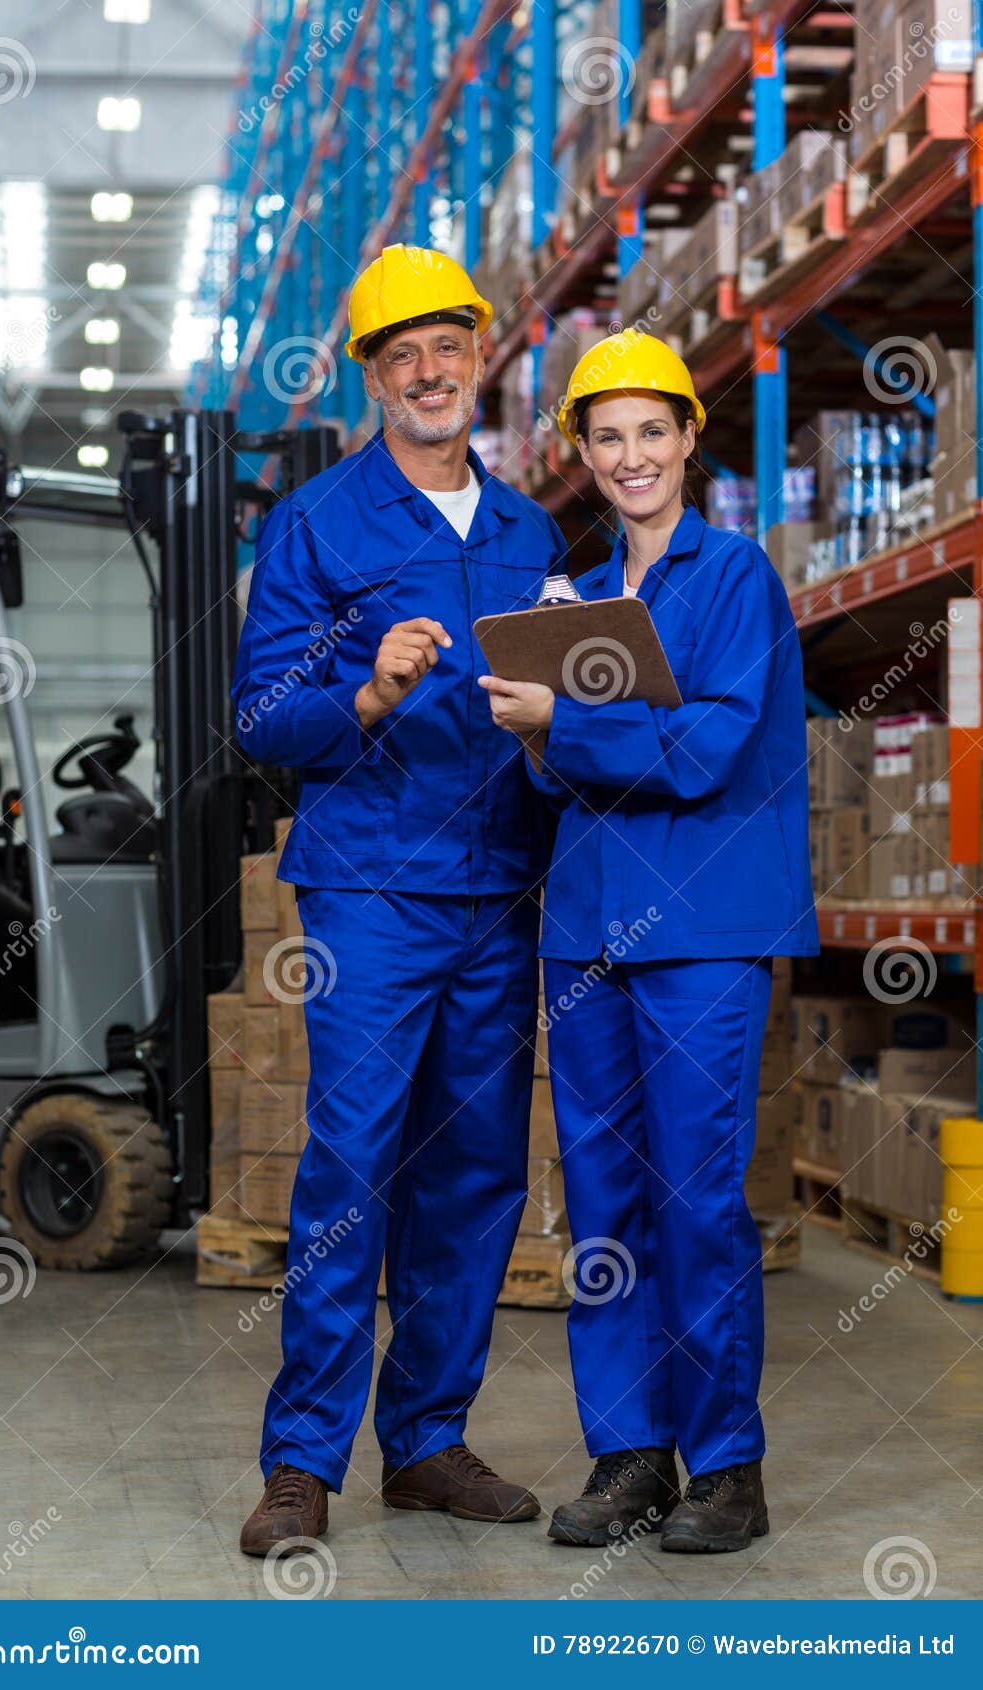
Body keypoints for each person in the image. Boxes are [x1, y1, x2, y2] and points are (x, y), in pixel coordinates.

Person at [234, 244, 568, 1556]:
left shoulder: (530, 530)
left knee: (477, 1171)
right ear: (372, 378)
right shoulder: (316, 522)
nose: (429, 371)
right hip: (372, 888)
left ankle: (425, 1440)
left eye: (448, 346)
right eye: (401, 354)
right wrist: (367, 692)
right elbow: (263, 715)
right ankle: (301, 1460)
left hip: (501, 885)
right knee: (352, 1163)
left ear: (479, 357)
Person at [480, 330, 819, 1554]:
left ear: (686, 441)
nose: (630, 456)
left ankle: (725, 1465)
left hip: (701, 930)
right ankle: (629, 1451)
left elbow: (709, 745)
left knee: (696, 1199)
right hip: (585, 932)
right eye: (606, 436)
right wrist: (532, 728)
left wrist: (564, 718)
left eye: (650, 432)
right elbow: (556, 780)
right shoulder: (574, 600)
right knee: (605, 1203)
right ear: (582, 453)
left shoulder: (732, 578)